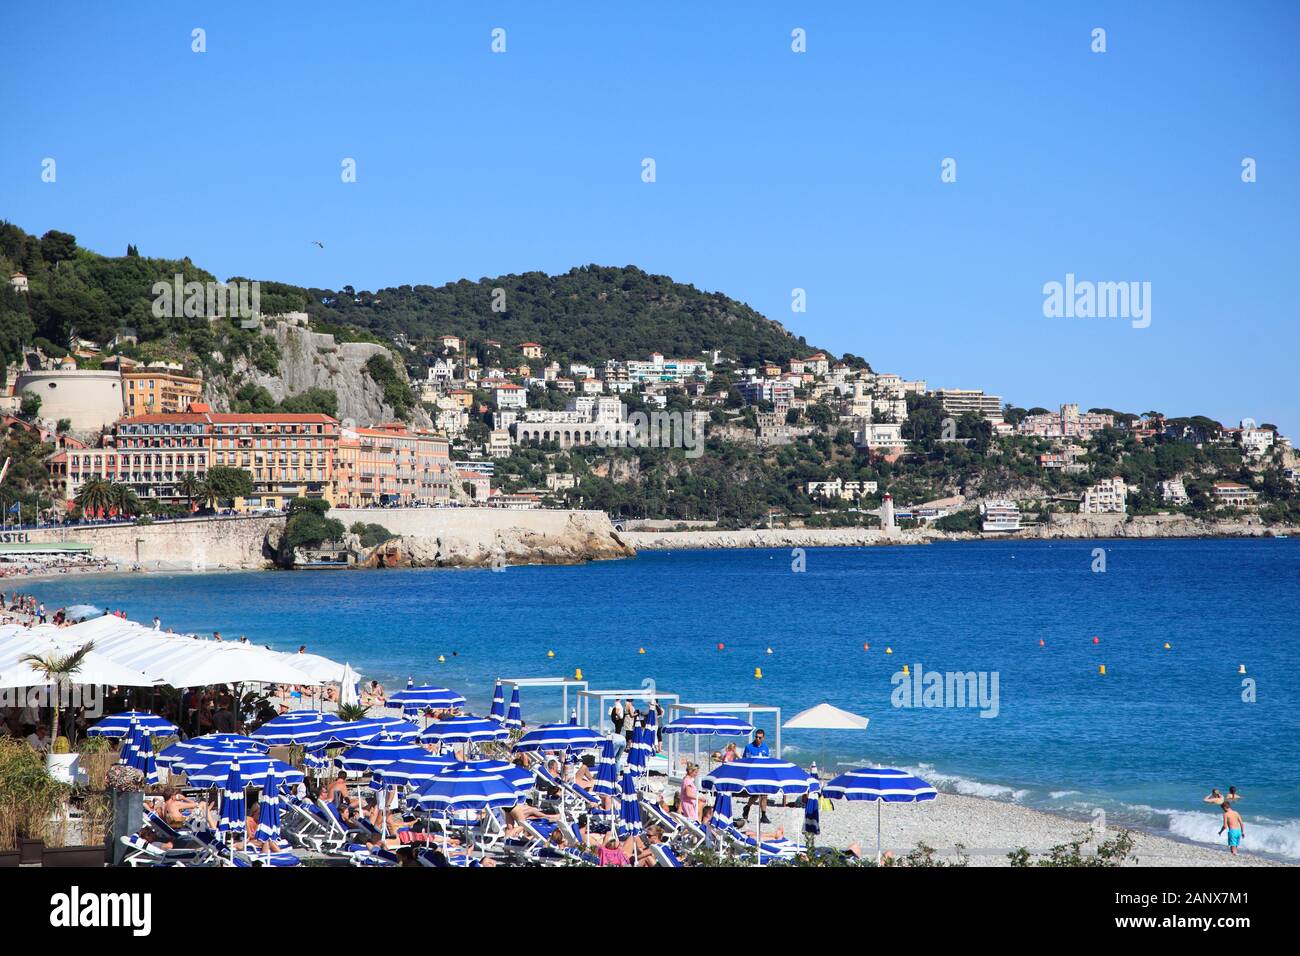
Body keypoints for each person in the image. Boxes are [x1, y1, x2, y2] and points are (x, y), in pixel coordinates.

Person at [741, 729, 771, 824]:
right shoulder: (749, 747)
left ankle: (763, 815)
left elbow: (767, 760)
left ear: (763, 738)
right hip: (753, 774)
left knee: (764, 795)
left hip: (763, 773)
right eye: (756, 737)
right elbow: (744, 760)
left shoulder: (765, 747)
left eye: (760, 737)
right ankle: (747, 807)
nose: (757, 739)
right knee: (755, 795)